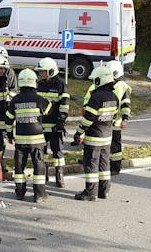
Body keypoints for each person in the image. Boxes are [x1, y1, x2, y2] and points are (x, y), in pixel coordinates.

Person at [5, 69, 52, 202]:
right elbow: (49, 110)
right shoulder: (39, 99)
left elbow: (8, 120)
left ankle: (20, 192)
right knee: (39, 167)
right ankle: (39, 194)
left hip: (20, 141)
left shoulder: (15, 100)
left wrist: (9, 134)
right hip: (37, 140)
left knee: (19, 167)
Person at [73, 66, 119, 201]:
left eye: (95, 80)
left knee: (91, 164)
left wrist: (78, 133)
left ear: (101, 80)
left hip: (94, 138)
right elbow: (114, 116)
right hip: (106, 137)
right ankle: (104, 191)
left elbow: (88, 119)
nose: (94, 82)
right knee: (104, 165)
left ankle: (90, 193)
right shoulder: (114, 96)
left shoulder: (96, 97)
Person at [35, 57, 69, 187]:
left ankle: (59, 175)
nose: (41, 74)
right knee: (41, 152)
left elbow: (65, 105)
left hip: (55, 125)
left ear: (51, 71)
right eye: (40, 72)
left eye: (43, 71)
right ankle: (44, 175)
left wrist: (61, 120)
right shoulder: (39, 85)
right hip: (40, 125)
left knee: (58, 152)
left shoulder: (61, 86)